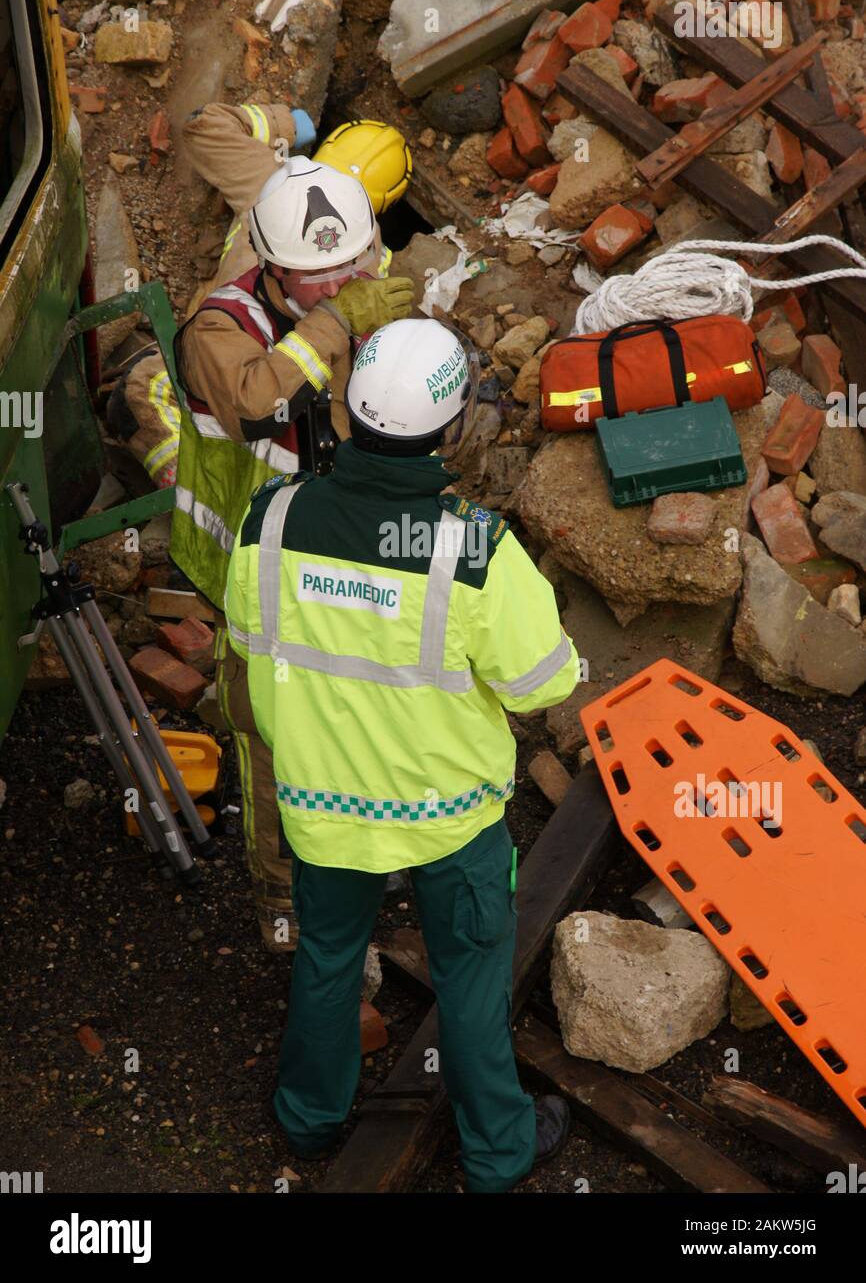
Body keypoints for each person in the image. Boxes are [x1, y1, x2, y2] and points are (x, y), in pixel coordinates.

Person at [224, 318, 580, 1193]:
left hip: (320, 802)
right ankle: (498, 1152)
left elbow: (245, 635)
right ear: (450, 429)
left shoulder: (271, 518)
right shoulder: (474, 550)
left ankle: (307, 1120)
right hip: (448, 816)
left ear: (348, 413)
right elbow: (543, 683)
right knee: (468, 974)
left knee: (329, 957)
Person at [169, 145, 414, 953]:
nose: (343, 284)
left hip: (332, 553)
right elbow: (258, 403)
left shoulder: (342, 295)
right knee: (272, 737)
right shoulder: (218, 326)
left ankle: (374, 841)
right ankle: (282, 896)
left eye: (358, 264)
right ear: (274, 268)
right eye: (322, 275)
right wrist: (340, 325)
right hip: (253, 567)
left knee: (365, 701)